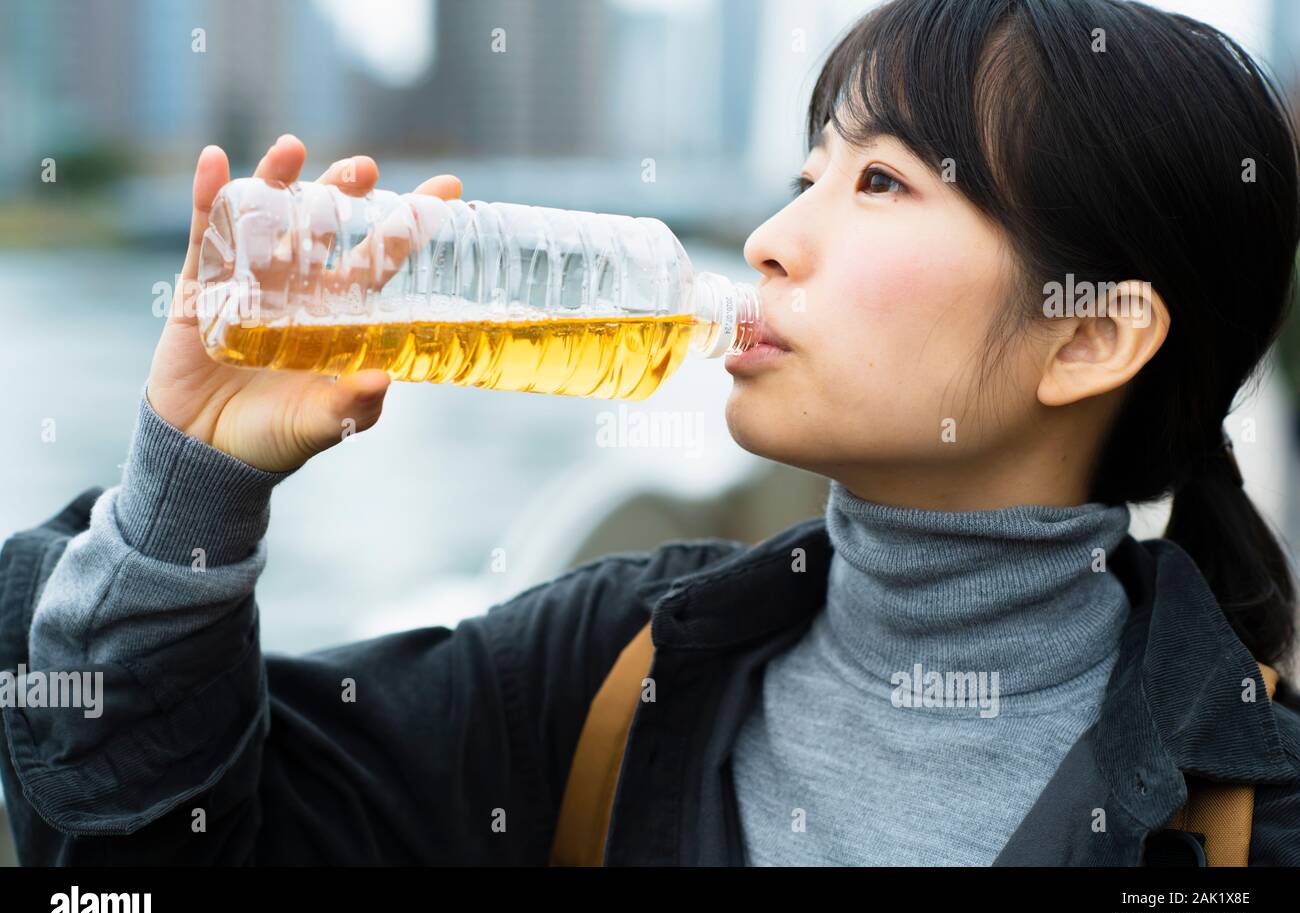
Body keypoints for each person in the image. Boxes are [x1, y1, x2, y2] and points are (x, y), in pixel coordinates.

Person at [3, 0, 1300, 866]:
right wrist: (195, 486)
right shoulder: (606, 676)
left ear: (1087, 336)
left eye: (882, 182)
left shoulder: (1253, 820)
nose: (770, 242)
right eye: (805, 179)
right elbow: (149, 860)